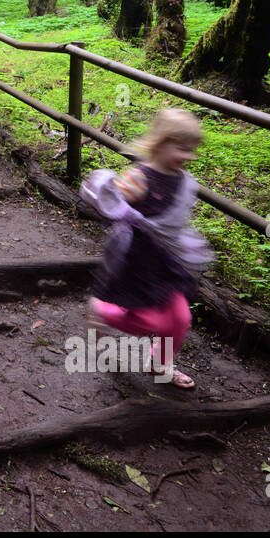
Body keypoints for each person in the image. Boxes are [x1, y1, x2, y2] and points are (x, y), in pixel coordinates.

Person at [79, 108, 214, 388]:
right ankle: (103, 312)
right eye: (182, 149)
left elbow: (176, 222)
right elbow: (108, 200)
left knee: (180, 318)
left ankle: (160, 363)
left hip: (168, 262)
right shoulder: (139, 178)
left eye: (192, 150)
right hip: (138, 262)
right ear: (161, 143)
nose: (188, 157)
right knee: (152, 322)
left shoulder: (182, 179)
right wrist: (113, 198)